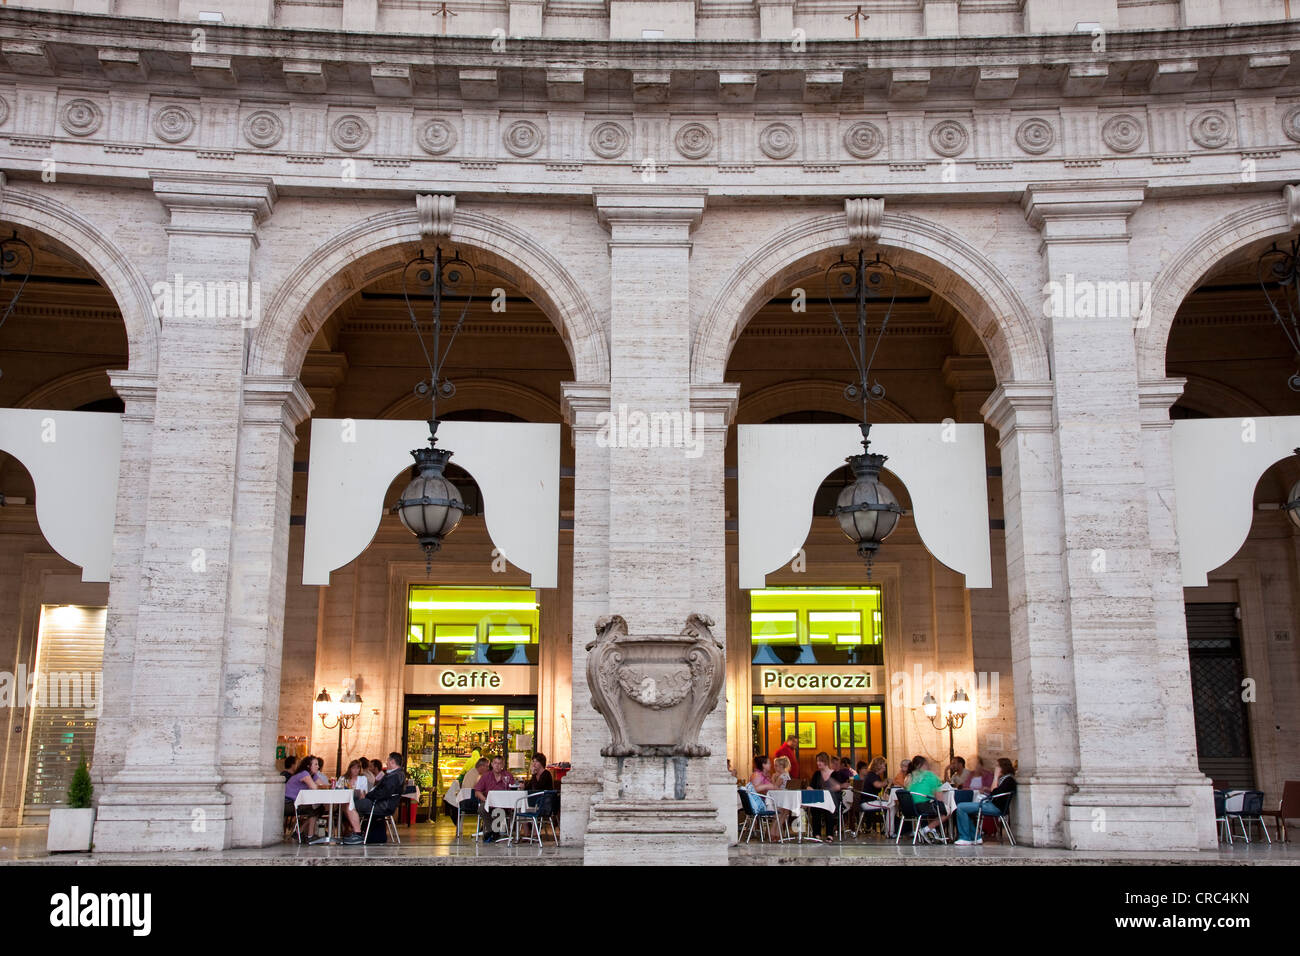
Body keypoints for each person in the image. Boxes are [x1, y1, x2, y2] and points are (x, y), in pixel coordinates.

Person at [340, 752, 406, 845]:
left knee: (349, 804)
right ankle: (356, 831)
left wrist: (368, 796)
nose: (386, 763)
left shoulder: (394, 776)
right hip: (382, 804)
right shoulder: (397, 774)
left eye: (387, 760)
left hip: (380, 804)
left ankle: (357, 833)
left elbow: (383, 793)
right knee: (352, 803)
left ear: (392, 762)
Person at [954, 758, 1016, 845]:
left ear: (1003, 768)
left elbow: (993, 792)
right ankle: (976, 837)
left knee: (961, 807)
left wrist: (995, 777)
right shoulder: (1005, 779)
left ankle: (965, 837)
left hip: (996, 807)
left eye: (997, 766)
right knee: (964, 808)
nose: (995, 768)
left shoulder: (1008, 780)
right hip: (992, 804)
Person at [473, 755, 518, 843]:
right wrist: (486, 800)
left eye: (499, 763)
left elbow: (513, 789)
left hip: (504, 805)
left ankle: (491, 832)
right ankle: (493, 831)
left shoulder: (508, 776)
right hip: (489, 803)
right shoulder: (486, 776)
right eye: (495, 763)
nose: (497, 765)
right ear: (492, 764)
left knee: (498, 811)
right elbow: (477, 791)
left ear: (503, 765)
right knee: (482, 808)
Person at [906, 755, 950, 844]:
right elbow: (939, 798)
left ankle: (931, 830)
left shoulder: (911, 776)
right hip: (923, 805)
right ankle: (926, 829)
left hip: (910, 807)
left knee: (936, 807)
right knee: (947, 810)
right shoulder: (931, 776)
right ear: (925, 765)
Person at [285, 755, 322, 843]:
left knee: (320, 808)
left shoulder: (313, 775)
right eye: (315, 764)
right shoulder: (304, 774)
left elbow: (322, 785)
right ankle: (310, 836)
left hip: (297, 802)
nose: (318, 766)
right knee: (313, 808)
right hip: (288, 803)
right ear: (308, 766)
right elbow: (315, 787)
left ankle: (299, 832)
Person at [807, 752, 842, 842]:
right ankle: (816, 834)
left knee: (829, 809)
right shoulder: (817, 774)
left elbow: (838, 787)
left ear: (826, 762)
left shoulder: (835, 774)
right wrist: (809, 789)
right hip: (819, 800)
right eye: (817, 761)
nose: (818, 763)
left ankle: (830, 834)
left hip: (831, 800)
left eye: (820, 761)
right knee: (815, 809)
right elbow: (811, 786)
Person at [749, 756, 780, 840]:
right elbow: (754, 790)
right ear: (763, 765)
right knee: (783, 808)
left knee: (785, 808)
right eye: (769, 763)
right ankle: (772, 832)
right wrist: (767, 786)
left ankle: (773, 832)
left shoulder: (766, 775)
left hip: (767, 800)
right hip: (759, 803)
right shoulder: (757, 775)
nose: (771, 765)